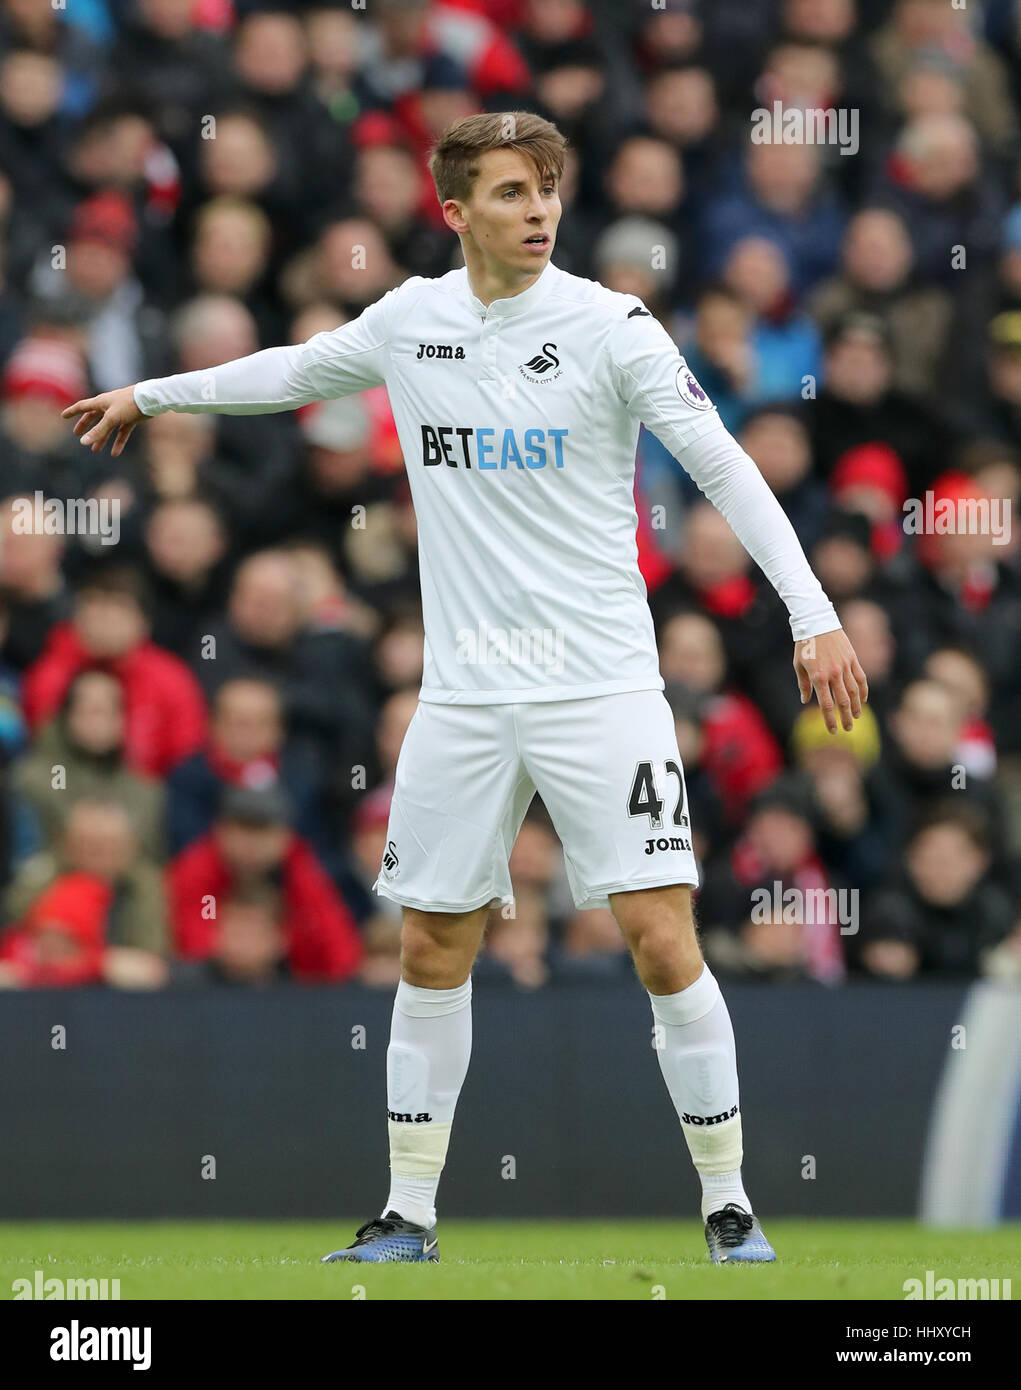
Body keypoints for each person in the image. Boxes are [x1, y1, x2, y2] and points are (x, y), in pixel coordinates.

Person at [62, 110, 869, 1267]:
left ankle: (729, 1200)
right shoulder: (412, 320)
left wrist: (814, 611)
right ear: (454, 212)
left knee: (655, 931)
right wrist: (155, 392)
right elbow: (294, 373)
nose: (537, 209)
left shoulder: (612, 326)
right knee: (433, 944)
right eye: (507, 192)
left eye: (547, 187)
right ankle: (409, 1213)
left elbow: (721, 464)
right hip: (464, 697)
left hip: (601, 686)